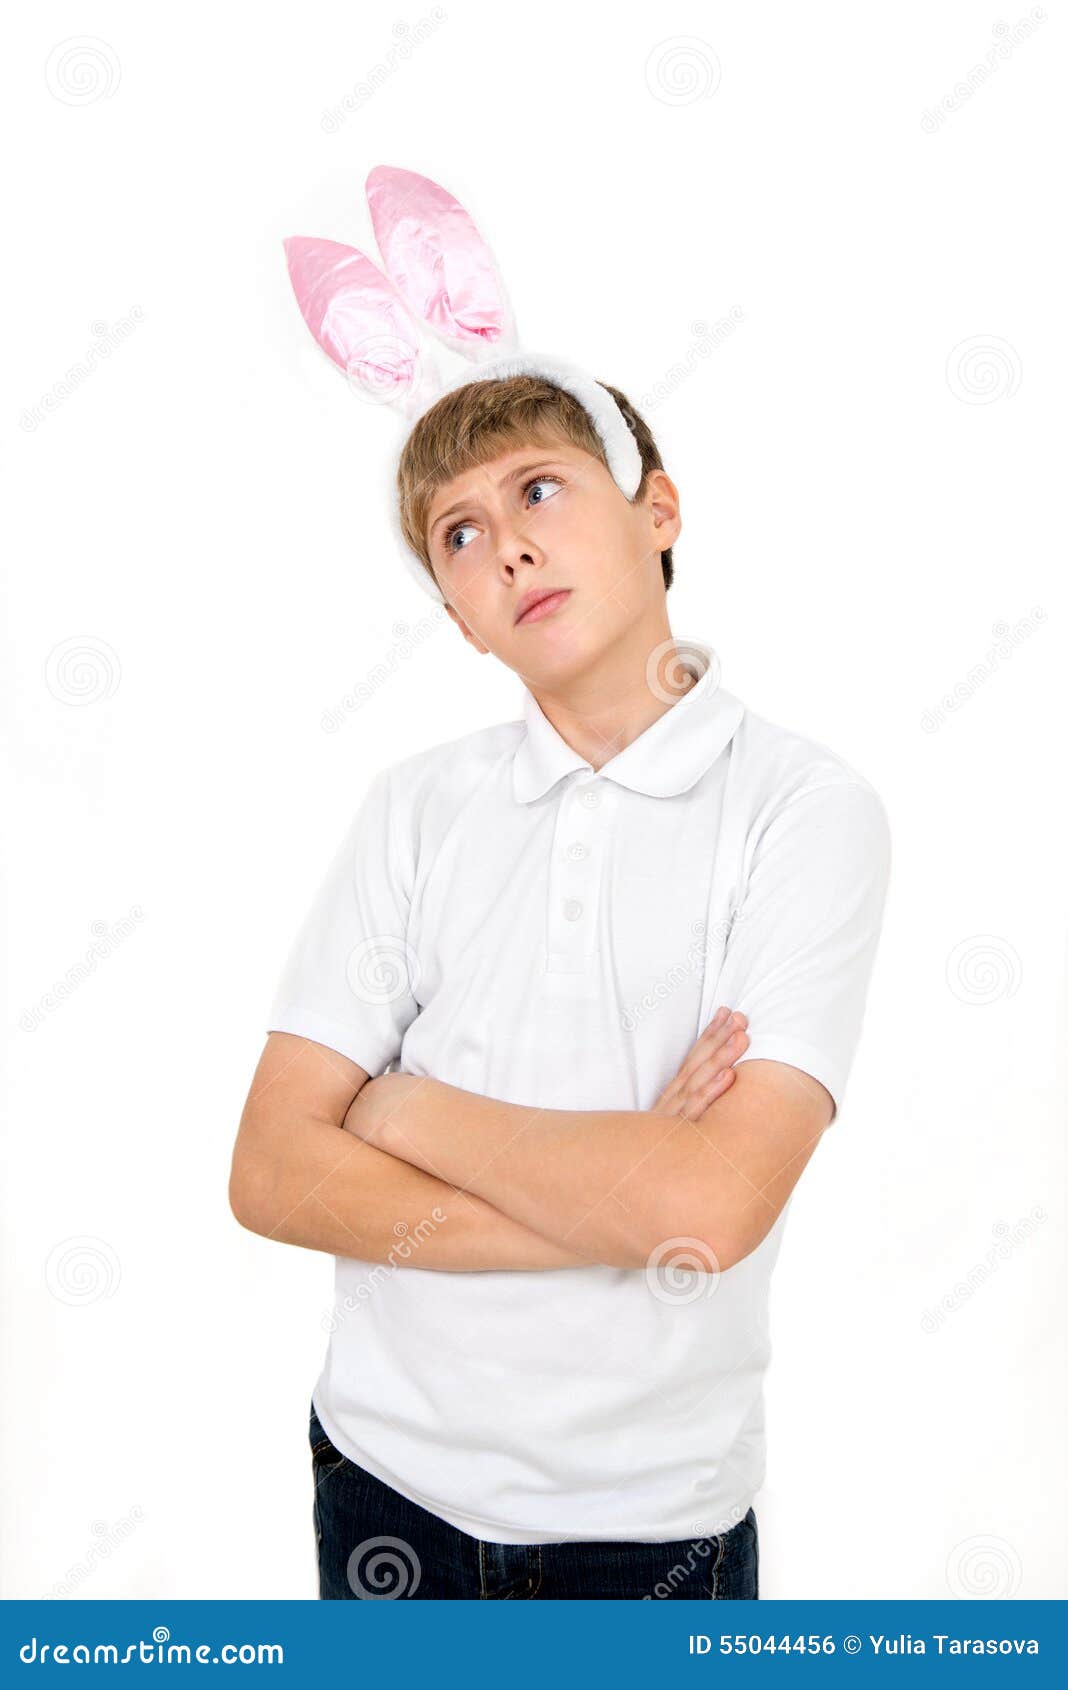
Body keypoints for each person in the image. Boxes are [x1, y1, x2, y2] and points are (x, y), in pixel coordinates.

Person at [229, 370, 891, 1600]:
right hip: (388, 1480)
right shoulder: (415, 810)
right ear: (460, 615)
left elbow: (707, 1207)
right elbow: (268, 1171)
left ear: (659, 511)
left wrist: (399, 1111)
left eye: (541, 488)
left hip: (656, 1521)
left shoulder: (804, 812)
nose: (512, 546)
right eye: (462, 535)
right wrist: (617, 1194)